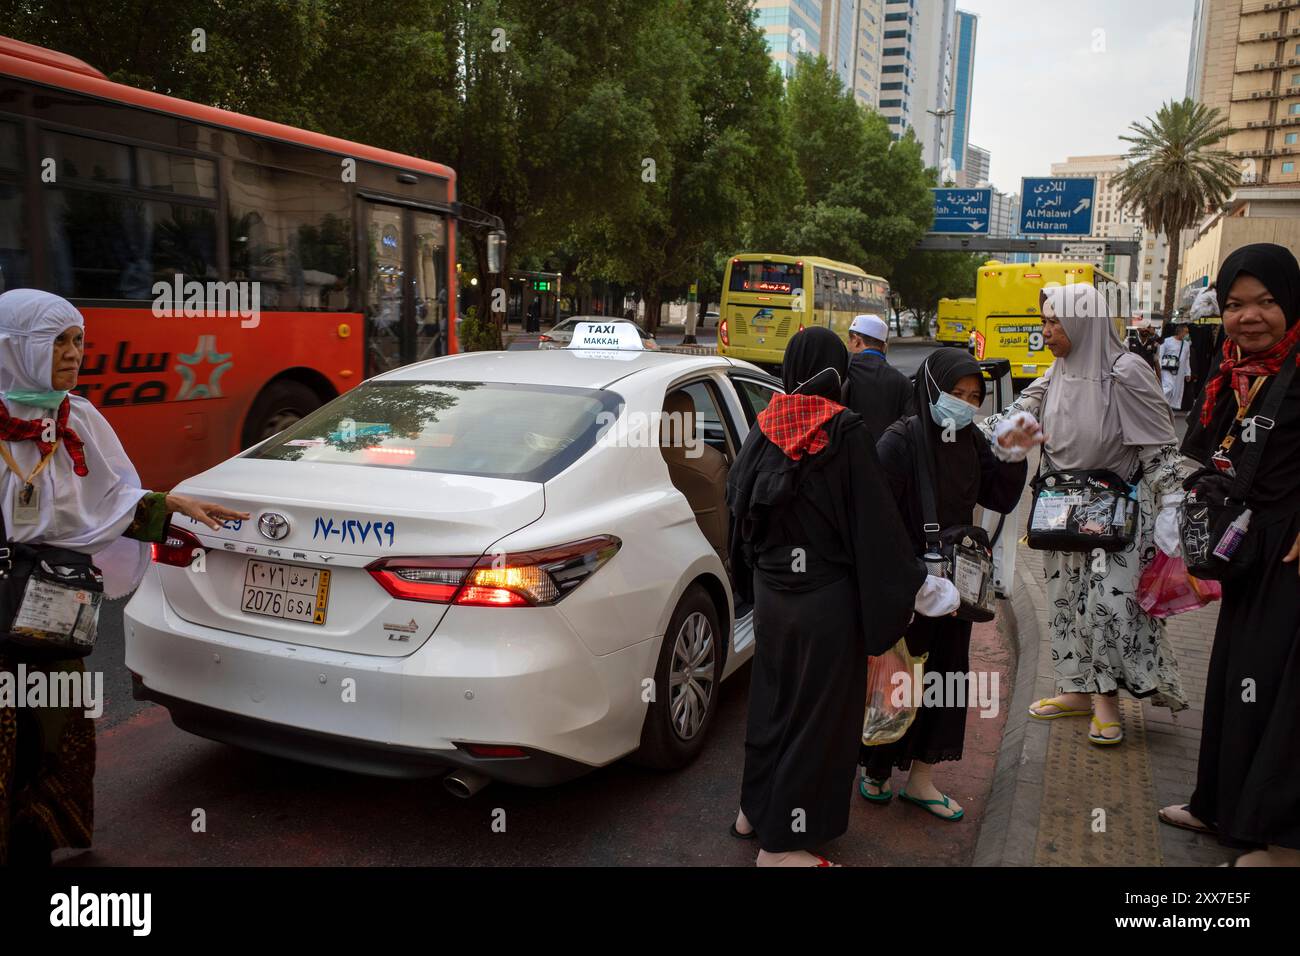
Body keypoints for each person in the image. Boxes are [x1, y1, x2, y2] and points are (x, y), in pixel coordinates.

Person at [0, 289, 246, 866]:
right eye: (57, 341)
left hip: (53, 610)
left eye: (78, 341)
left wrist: (172, 507)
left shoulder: (78, 418)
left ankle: (36, 842)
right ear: (15, 347)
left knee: (51, 733)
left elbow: (109, 501)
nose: (73, 353)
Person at [726, 327, 959, 866]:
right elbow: (873, 524)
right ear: (837, 371)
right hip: (824, 603)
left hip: (771, 598)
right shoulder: (842, 430)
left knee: (772, 704)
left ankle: (754, 812)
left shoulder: (766, 424)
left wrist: (752, 585)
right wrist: (912, 587)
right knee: (818, 720)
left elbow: (739, 511)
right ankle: (782, 848)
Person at [986, 283, 1189, 739]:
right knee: (1064, 602)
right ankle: (1075, 690)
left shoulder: (1126, 371)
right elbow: (1013, 422)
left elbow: (1160, 449)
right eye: (1044, 321)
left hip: (1114, 514)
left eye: (1054, 322)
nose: (1046, 331)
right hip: (1060, 512)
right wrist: (994, 431)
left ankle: (1106, 703)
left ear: (1085, 322)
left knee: (1108, 606)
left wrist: (1173, 512)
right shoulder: (1055, 372)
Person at [1159, 243, 1300, 866]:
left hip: (1294, 551)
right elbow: (1209, 450)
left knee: (1281, 691)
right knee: (1235, 678)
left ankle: (1281, 843)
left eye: (1267, 302)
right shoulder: (1234, 368)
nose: (1250, 317)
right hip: (1250, 546)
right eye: (1236, 304)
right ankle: (1219, 805)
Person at [858, 350, 1041, 819]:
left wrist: (1013, 454)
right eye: (956, 394)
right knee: (896, 677)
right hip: (909, 588)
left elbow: (998, 495)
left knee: (944, 678)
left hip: (958, 586)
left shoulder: (971, 441)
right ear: (932, 388)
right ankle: (875, 769)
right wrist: (911, 579)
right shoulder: (899, 442)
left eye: (974, 397)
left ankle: (921, 779)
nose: (964, 404)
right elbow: (876, 523)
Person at [842, 313, 914, 443]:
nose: (848, 344)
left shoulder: (843, 371)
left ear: (857, 341)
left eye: (849, 340)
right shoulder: (903, 382)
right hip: (885, 456)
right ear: (885, 347)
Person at [1158, 322, 1193, 410]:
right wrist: (1158, 369)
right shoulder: (1167, 341)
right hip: (1167, 369)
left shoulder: (1186, 344)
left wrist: (1188, 372)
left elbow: (1187, 359)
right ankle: (1159, 403)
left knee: (1177, 389)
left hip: (1180, 371)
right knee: (1168, 386)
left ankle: (1167, 407)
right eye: (1186, 332)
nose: (1187, 334)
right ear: (1180, 332)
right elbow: (1160, 355)